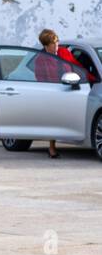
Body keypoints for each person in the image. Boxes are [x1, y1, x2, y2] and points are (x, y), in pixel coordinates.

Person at [35, 29, 88, 158]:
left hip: (70, 86)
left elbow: (76, 66)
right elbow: (40, 78)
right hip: (53, 91)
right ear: (46, 45)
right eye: (54, 43)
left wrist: (87, 77)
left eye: (57, 41)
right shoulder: (40, 59)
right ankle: (52, 147)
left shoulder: (64, 52)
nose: (57, 45)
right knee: (54, 118)